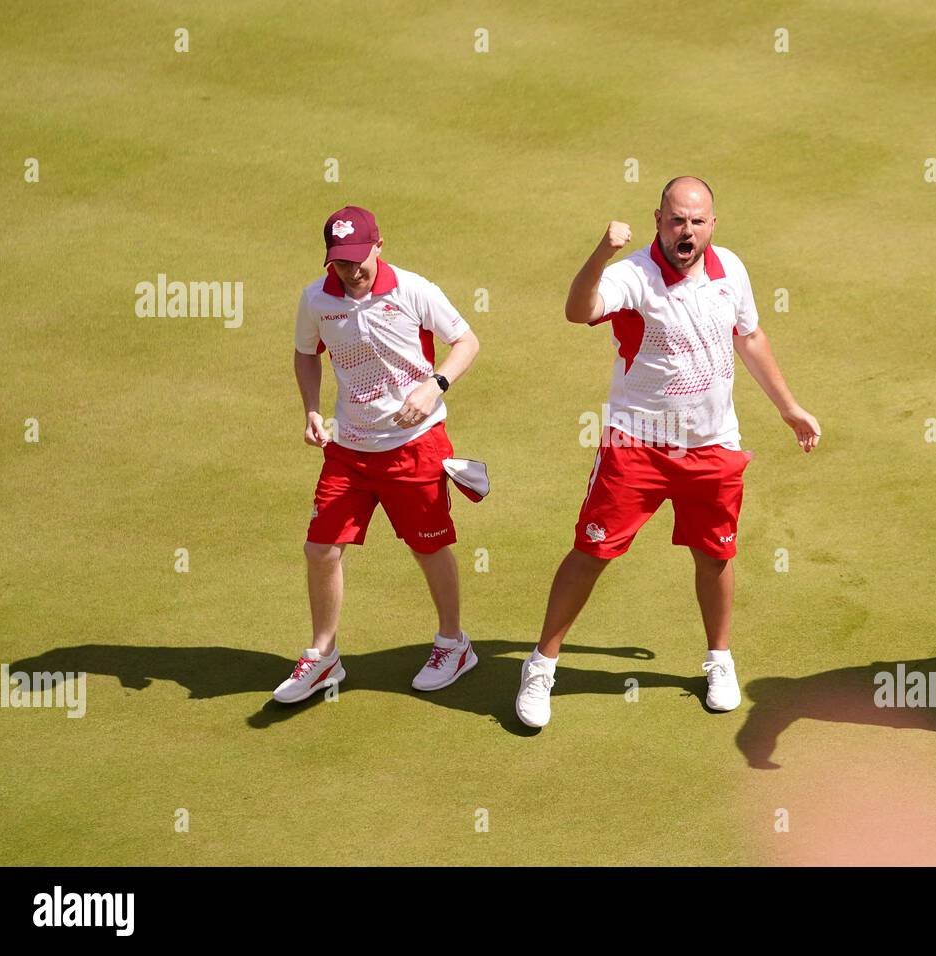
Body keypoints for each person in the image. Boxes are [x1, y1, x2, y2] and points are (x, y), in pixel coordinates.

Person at [515, 177, 821, 729]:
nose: (687, 232)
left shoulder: (731, 269)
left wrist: (789, 407)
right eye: (677, 220)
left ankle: (719, 660)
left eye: (697, 221)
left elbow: (749, 338)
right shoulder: (633, 274)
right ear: (658, 219)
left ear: (712, 225)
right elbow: (577, 310)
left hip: (713, 447)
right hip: (638, 446)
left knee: (716, 556)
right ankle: (541, 666)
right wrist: (601, 251)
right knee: (591, 553)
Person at [274, 205, 481, 703]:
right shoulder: (316, 300)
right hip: (348, 448)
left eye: (358, 259)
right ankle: (324, 657)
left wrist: (435, 386)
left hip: (416, 445)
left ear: (378, 246)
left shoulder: (414, 289)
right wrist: (310, 410)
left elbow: (467, 341)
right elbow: (306, 351)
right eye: (341, 262)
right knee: (320, 549)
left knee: (428, 546)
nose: (351, 271)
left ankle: (453, 644)